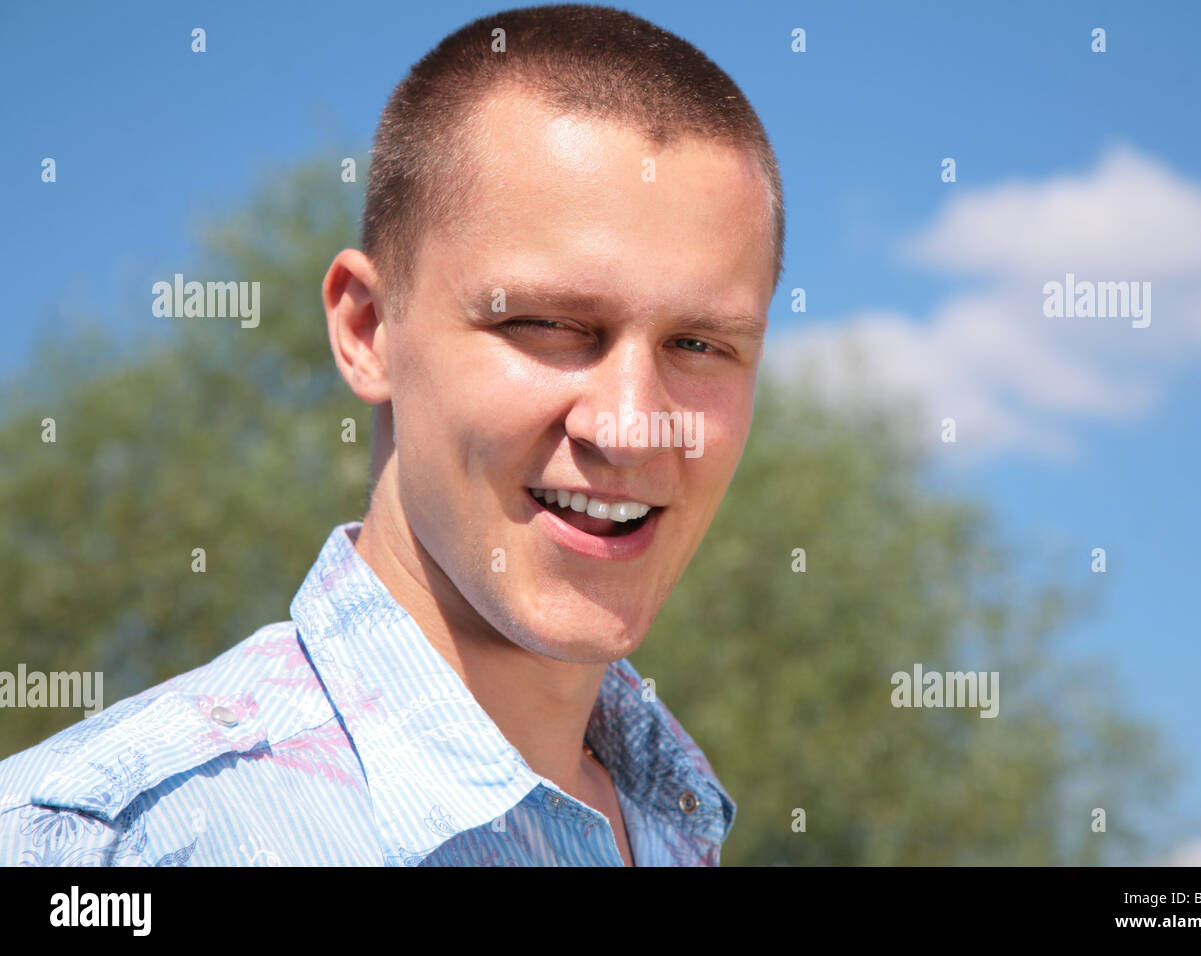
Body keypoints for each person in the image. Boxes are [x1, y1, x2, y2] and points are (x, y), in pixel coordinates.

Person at [0, 2, 784, 866]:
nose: (630, 427)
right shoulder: (94, 847)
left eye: (700, 345)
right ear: (369, 331)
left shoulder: (678, 830)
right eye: (548, 325)